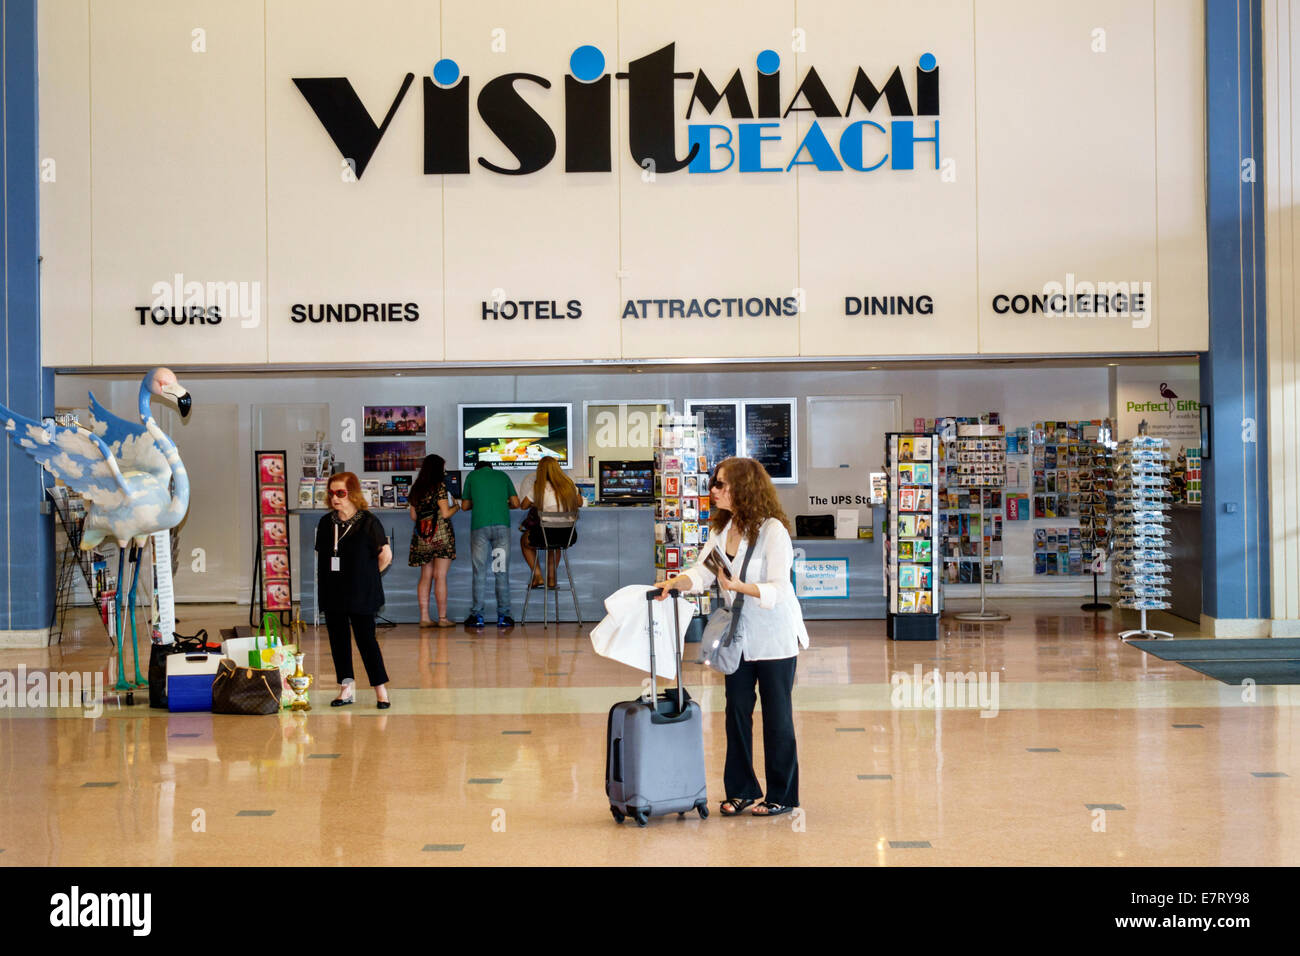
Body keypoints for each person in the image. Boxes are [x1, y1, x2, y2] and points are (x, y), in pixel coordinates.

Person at [655, 457, 808, 817]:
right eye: (715, 483)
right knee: (736, 711)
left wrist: (741, 587)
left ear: (743, 488)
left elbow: (780, 587)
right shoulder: (721, 532)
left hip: (773, 636)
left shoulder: (774, 531)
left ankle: (782, 795)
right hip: (737, 638)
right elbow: (703, 572)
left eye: (721, 484)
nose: (714, 491)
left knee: (777, 716)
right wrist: (674, 584)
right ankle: (741, 789)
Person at [315, 471, 393, 708]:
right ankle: (346, 689)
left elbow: (385, 556)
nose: (335, 498)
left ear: (353, 494)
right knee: (338, 641)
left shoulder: (368, 522)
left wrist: (368, 577)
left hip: (361, 592)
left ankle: (381, 691)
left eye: (341, 493)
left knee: (366, 640)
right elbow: (323, 556)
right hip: (333, 591)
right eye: (331, 493)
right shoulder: (326, 523)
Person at [460, 459, 520, 629]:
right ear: (491, 467)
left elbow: (464, 506)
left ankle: (477, 616)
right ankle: (504, 616)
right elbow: (516, 503)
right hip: (502, 529)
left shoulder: (472, 477)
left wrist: (478, 503)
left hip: (480, 528)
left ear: (477, 468)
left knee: (479, 572)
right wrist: (502, 503)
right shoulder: (503, 476)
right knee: (500, 571)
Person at [517, 455, 583, 589]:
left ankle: (538, 575)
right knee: (555, 544)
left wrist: (538, 503)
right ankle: (552, 579)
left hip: (545, 535)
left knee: (525, 540)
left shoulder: (538, 488)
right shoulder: (569, 485)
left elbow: (523, 505)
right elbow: (580, 503)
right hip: (568, 536)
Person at [408, 454, 458, 628]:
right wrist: (456, 507)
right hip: (441, 536)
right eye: (443, 468)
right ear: (438, 469)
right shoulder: (440, 486)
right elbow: (445, 513)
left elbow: (413, 516)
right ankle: (443, 619)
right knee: (440, 576)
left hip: (422, 536)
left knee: (426, 575)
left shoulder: (416, 488)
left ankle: (424, 618)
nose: (444, 471)